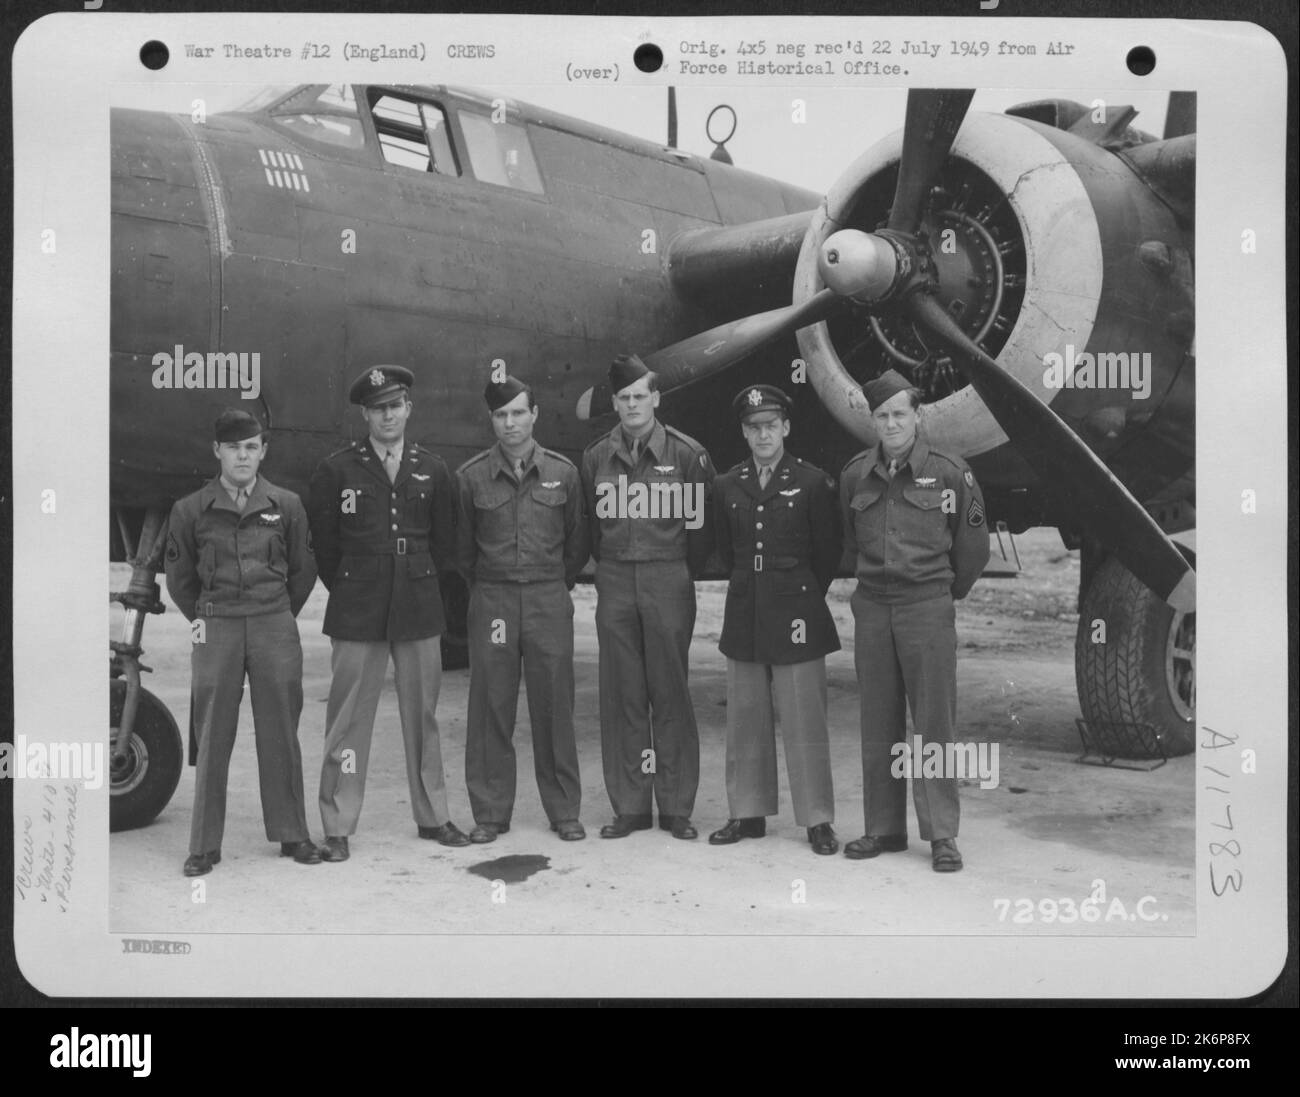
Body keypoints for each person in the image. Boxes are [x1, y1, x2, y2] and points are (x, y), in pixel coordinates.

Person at [308, 365, 470, 862]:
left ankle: (434, 816)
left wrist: (420, 584)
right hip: (358, 605)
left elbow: (447, 544)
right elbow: (326, 548)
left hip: (419, 607)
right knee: (349, 720)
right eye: (379, 408)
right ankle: (337, 824)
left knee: (422, 716)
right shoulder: (338, 470)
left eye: (395, 405)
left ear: (408, 409)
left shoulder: (433, 469)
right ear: (365, 414)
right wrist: (360, 581)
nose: (388, 415)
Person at [839, 369, 990, 872]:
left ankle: (942, 835)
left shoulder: (950, 472)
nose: (890, 423)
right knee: (877, 722)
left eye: (899, 413)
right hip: (874, 609)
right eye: (881, 415)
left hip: (927, 607)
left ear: (917, 415)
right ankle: (883, 829)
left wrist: (942, 595)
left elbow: (972, 548)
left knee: (933, 725)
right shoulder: (856, 474)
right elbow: (848, 540)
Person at [164, 408, 320, 876]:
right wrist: (210, 617)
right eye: (234, 448)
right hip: (217, 625)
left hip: (274, 622)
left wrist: (274, 614)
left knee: (281, 733)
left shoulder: (286, 504)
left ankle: (293, 834)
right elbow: (180, 579)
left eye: (251, 447)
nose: (243, 456)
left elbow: (303, 570)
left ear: (263, 451)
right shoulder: (190, 509)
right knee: (212, 735)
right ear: (217, 451)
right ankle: (204, 845)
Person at [580, 354, 714, 840]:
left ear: (655, 399)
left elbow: (700, 533)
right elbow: (593, 531)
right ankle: (631, 806)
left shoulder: (686, 456)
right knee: (623, 695)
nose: (633, 405)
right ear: (614, 403)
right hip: (614, 581)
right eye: (624, 398)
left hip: (667, 580)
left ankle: (677, 807)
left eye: (641, 396)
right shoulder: (596, 457)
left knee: (670, 692)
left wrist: (674, 570)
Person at [708, 385, 841, 856]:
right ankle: (747, 813)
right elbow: (727, 552)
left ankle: (818, 820)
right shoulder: (728, 484)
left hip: (797, 610)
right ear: (744, 433)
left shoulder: (812, 482)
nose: (762, 434)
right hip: (746, 607)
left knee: (805, 718)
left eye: (770, 425)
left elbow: (827, 554)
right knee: (745, 717)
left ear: (785, 427)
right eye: (753, 427)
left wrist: (796, 592)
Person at [456, 376, 589, 843]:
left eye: (518, 412)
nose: (510, 423)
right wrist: (492, 586)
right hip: (492, 598)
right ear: (491, 420)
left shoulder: (563, 473)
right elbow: (462, 550)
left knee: (554, 703)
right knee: (491, 703)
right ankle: (490, 812)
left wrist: (551, 584)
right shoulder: (471, 476)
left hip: (548, 598)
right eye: (500, 415)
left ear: (535, 415)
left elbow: (576, 544)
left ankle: (564, 810)